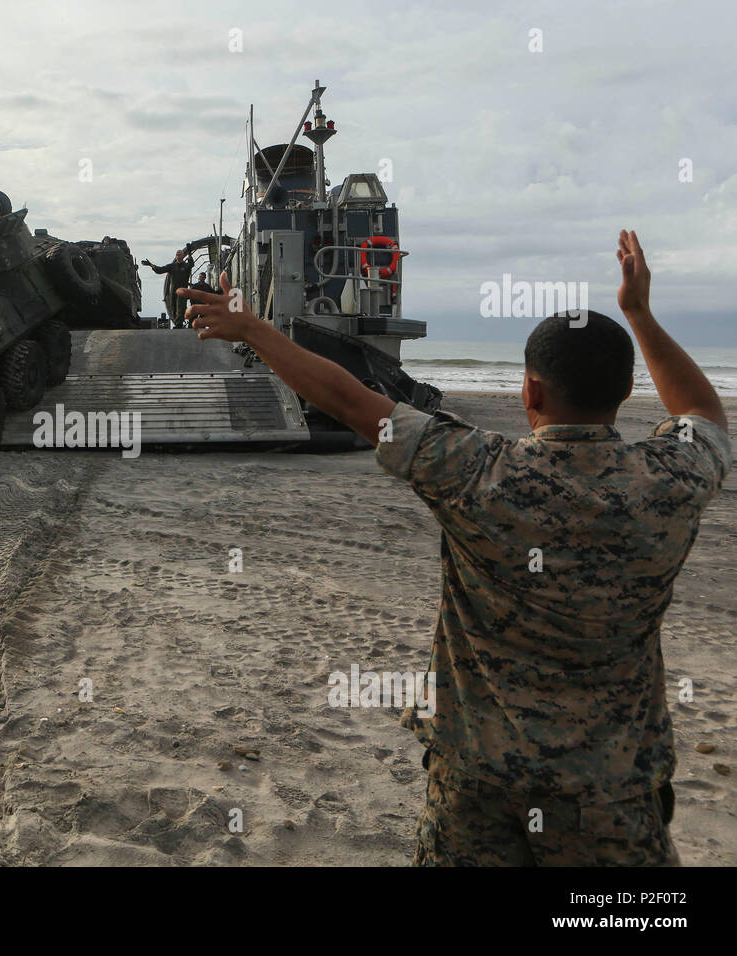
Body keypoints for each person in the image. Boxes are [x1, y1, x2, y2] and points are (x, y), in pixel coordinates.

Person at [179, 230, 730, 866]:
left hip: (479, 783)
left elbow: (346, 398)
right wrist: (639, 312)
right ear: (626, 391)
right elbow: (701, 411)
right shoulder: (673, 479)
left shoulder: (474, 469)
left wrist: (252, 330)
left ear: (530, 391)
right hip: (613, 793)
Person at [141, 248, 192, 326]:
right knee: (174, 308)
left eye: (180, 254)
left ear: (183, 256)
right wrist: (151, 265)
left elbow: (191, 264)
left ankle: (179, 324)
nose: (178, 256)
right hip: (173, 291)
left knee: (180, 307)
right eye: (177, 255)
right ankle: (177, 322)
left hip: (183, 291)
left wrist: (189, 254)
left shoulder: (186, 266)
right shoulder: (172, 266)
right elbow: (160, 270)